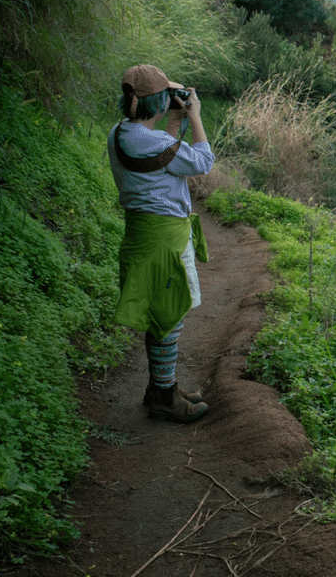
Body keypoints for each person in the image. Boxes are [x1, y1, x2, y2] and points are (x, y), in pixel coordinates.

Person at [108, 64, 215, 423]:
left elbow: (161, 159)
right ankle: (164, 397)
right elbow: (202, 163)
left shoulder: (120, 134)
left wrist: (173, 121)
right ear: (156, 101)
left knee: (163, 311)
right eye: (166, 95)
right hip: (164, 239)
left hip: (142, 235)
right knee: (169, 315)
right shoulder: (153, 142)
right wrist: (194, 117)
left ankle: (162, 387)